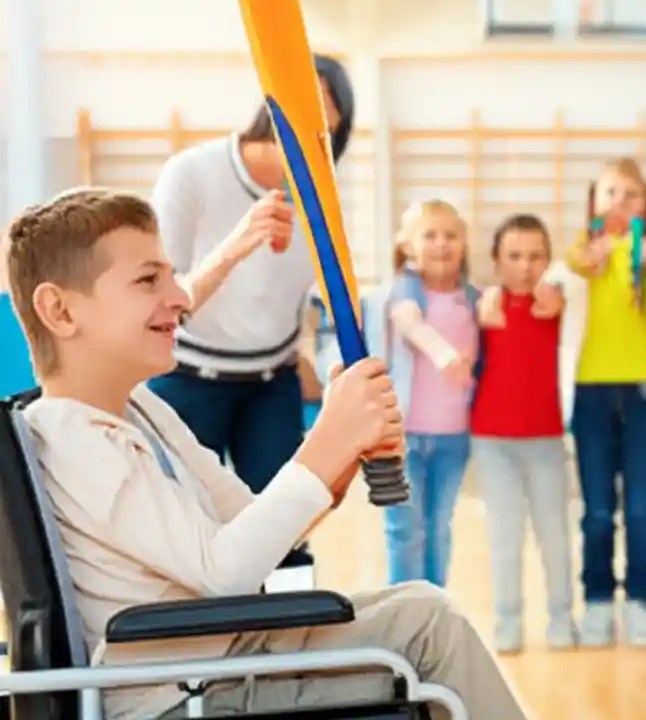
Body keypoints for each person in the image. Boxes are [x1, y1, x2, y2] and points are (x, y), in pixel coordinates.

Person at [5, 188, 529, 720]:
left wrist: (343, 453)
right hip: (186, 695)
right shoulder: (76, 439)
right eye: (148, 280)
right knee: (429, 627)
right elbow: (223, 573)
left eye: (170, 275)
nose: (181, 297)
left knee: (422, 610)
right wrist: (329, 438)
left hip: (224, 663)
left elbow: (254, 526)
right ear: (59, 310)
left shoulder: (139, 410)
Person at [146, 54, 355, 502]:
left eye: (325, 120)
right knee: (182, 525)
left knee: (283, 534)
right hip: (186, 377)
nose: (312, 124)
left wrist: (332, 366)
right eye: (304, 105)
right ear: (274, 105)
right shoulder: (191, 174)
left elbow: (327, 306)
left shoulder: (321, 199)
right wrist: (239, 242)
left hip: (271, 385)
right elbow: (157, 296)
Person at [542, 157, 646, 647]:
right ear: (594, 202)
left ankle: (640, 600)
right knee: (597, 509)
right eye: (611, 193)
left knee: (641, 508)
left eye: (631, 194)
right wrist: (577, 265)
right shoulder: (579, 254)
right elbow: (559, 275)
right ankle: (597, 600)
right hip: (590, 392)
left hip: (644, 390)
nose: (620, 202)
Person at [470, 214, 574, 653]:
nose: (525, 266)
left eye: (535, 256)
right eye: (514, 256)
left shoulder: (557, 307)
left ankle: (562, 617)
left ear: (548, 260)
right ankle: (508, 619)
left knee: (554, 535)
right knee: (504, 536)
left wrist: (562, 296)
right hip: (493, 442)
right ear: (496, 262)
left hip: (547, 440)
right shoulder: (484, 309)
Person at [382, 200, 479, 588]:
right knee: (404, 532)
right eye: (430, 235)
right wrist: (444, 355)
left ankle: (434, 608)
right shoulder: (402, 294)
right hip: (401, 438)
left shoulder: (474, 299)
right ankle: (405, 612)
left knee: (438, 528)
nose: (441, 244)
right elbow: (409, 324)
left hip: (454, 437)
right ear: (407, 246)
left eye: (451, 235)